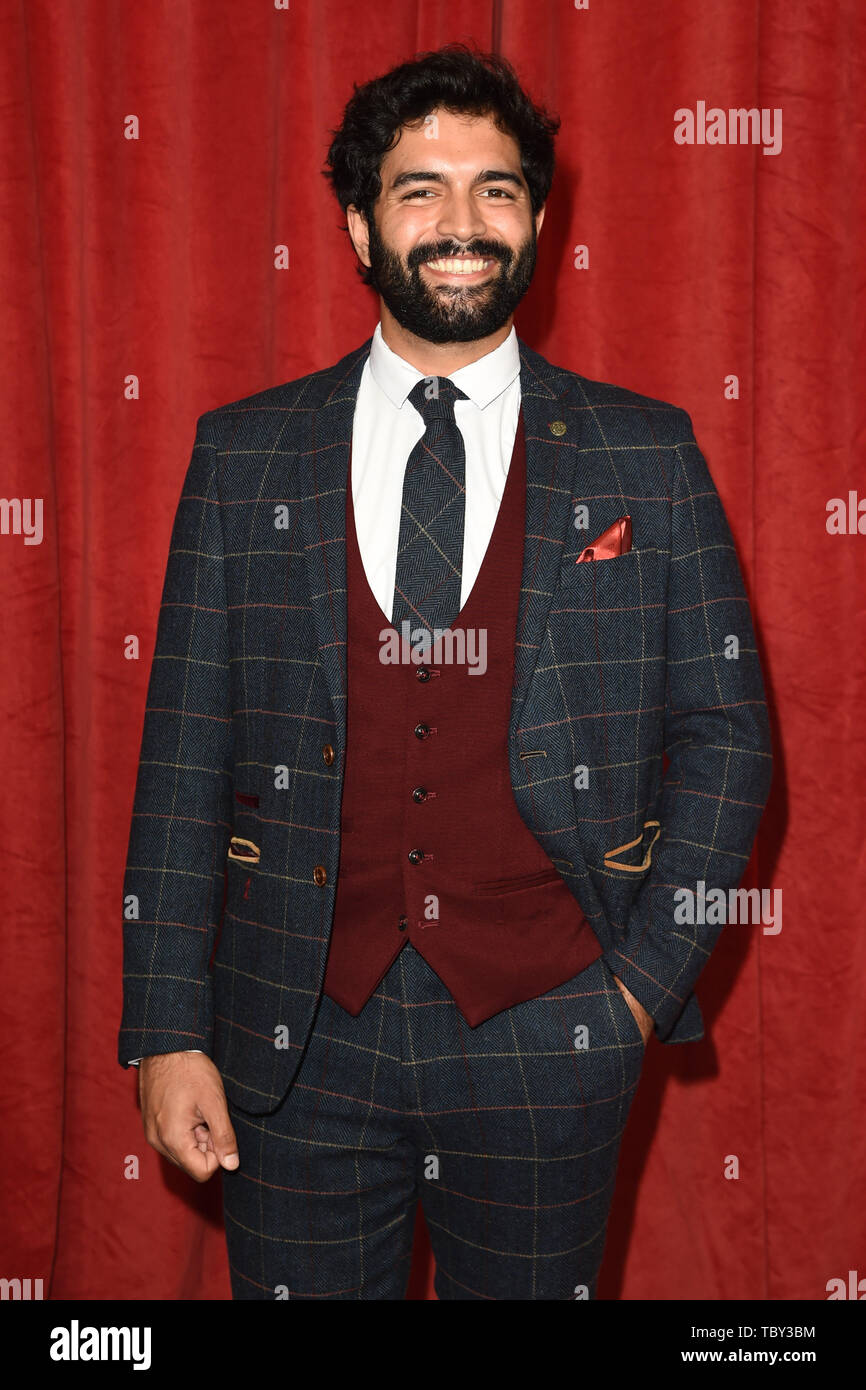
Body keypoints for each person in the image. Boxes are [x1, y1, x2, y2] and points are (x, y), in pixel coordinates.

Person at [119, 43, 772, 1300]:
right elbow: (183, 748)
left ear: (535, 221)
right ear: (360, 227)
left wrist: (634, 999)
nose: (461, 225)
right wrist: (164, 1030)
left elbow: (729, 739)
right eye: (420, 190)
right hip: (291, 1035)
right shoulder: (243, 455)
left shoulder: (645, 453)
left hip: (552, 1028)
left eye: (497, 190)